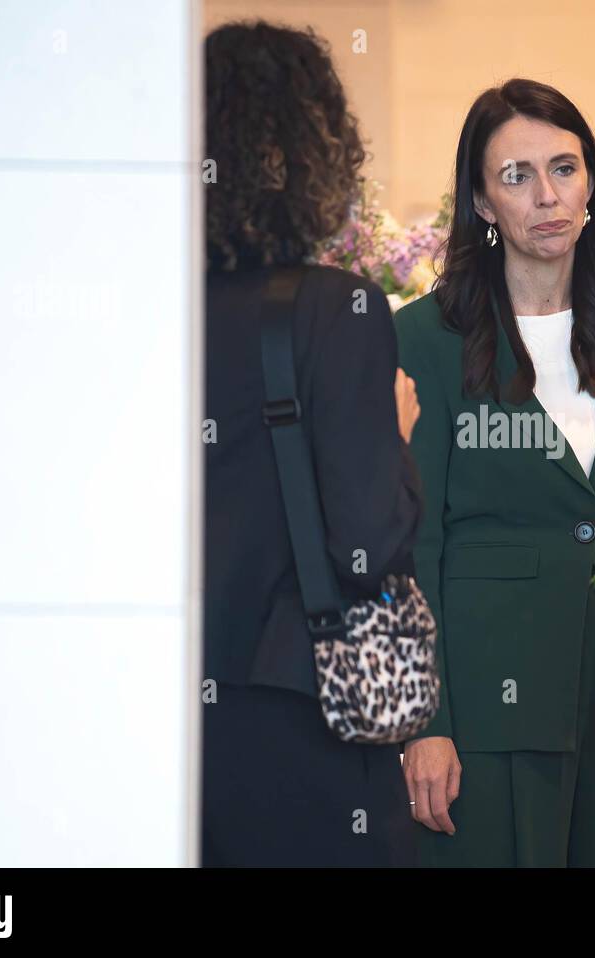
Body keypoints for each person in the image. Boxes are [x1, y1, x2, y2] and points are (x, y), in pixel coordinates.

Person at [395, 78, 595, 867]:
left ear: (592, 184)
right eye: (516, 176)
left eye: (565, 168)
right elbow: (415, 544)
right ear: (482, 203)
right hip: (488, 697)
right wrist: (427, 720)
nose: (547, 196)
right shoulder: (426, 337)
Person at [200, 21, 423, 866]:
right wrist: (396, 439)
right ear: (315, 150)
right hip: (299, 705)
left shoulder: (144, 308)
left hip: (155, 709)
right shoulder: (336, 308)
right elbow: (368, 544)